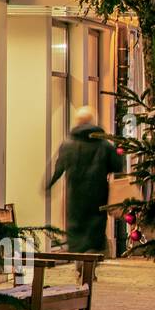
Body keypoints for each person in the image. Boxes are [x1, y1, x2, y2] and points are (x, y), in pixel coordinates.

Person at [48, 106, 124, 254]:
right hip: (98, 194)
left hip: (75, 194)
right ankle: (91, 262)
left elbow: (59, 167)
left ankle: (80, 262)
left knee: (76, 226)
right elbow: (117, 165)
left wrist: (49, 184)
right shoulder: (104, 144)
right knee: (95, 228)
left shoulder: (68, 144)